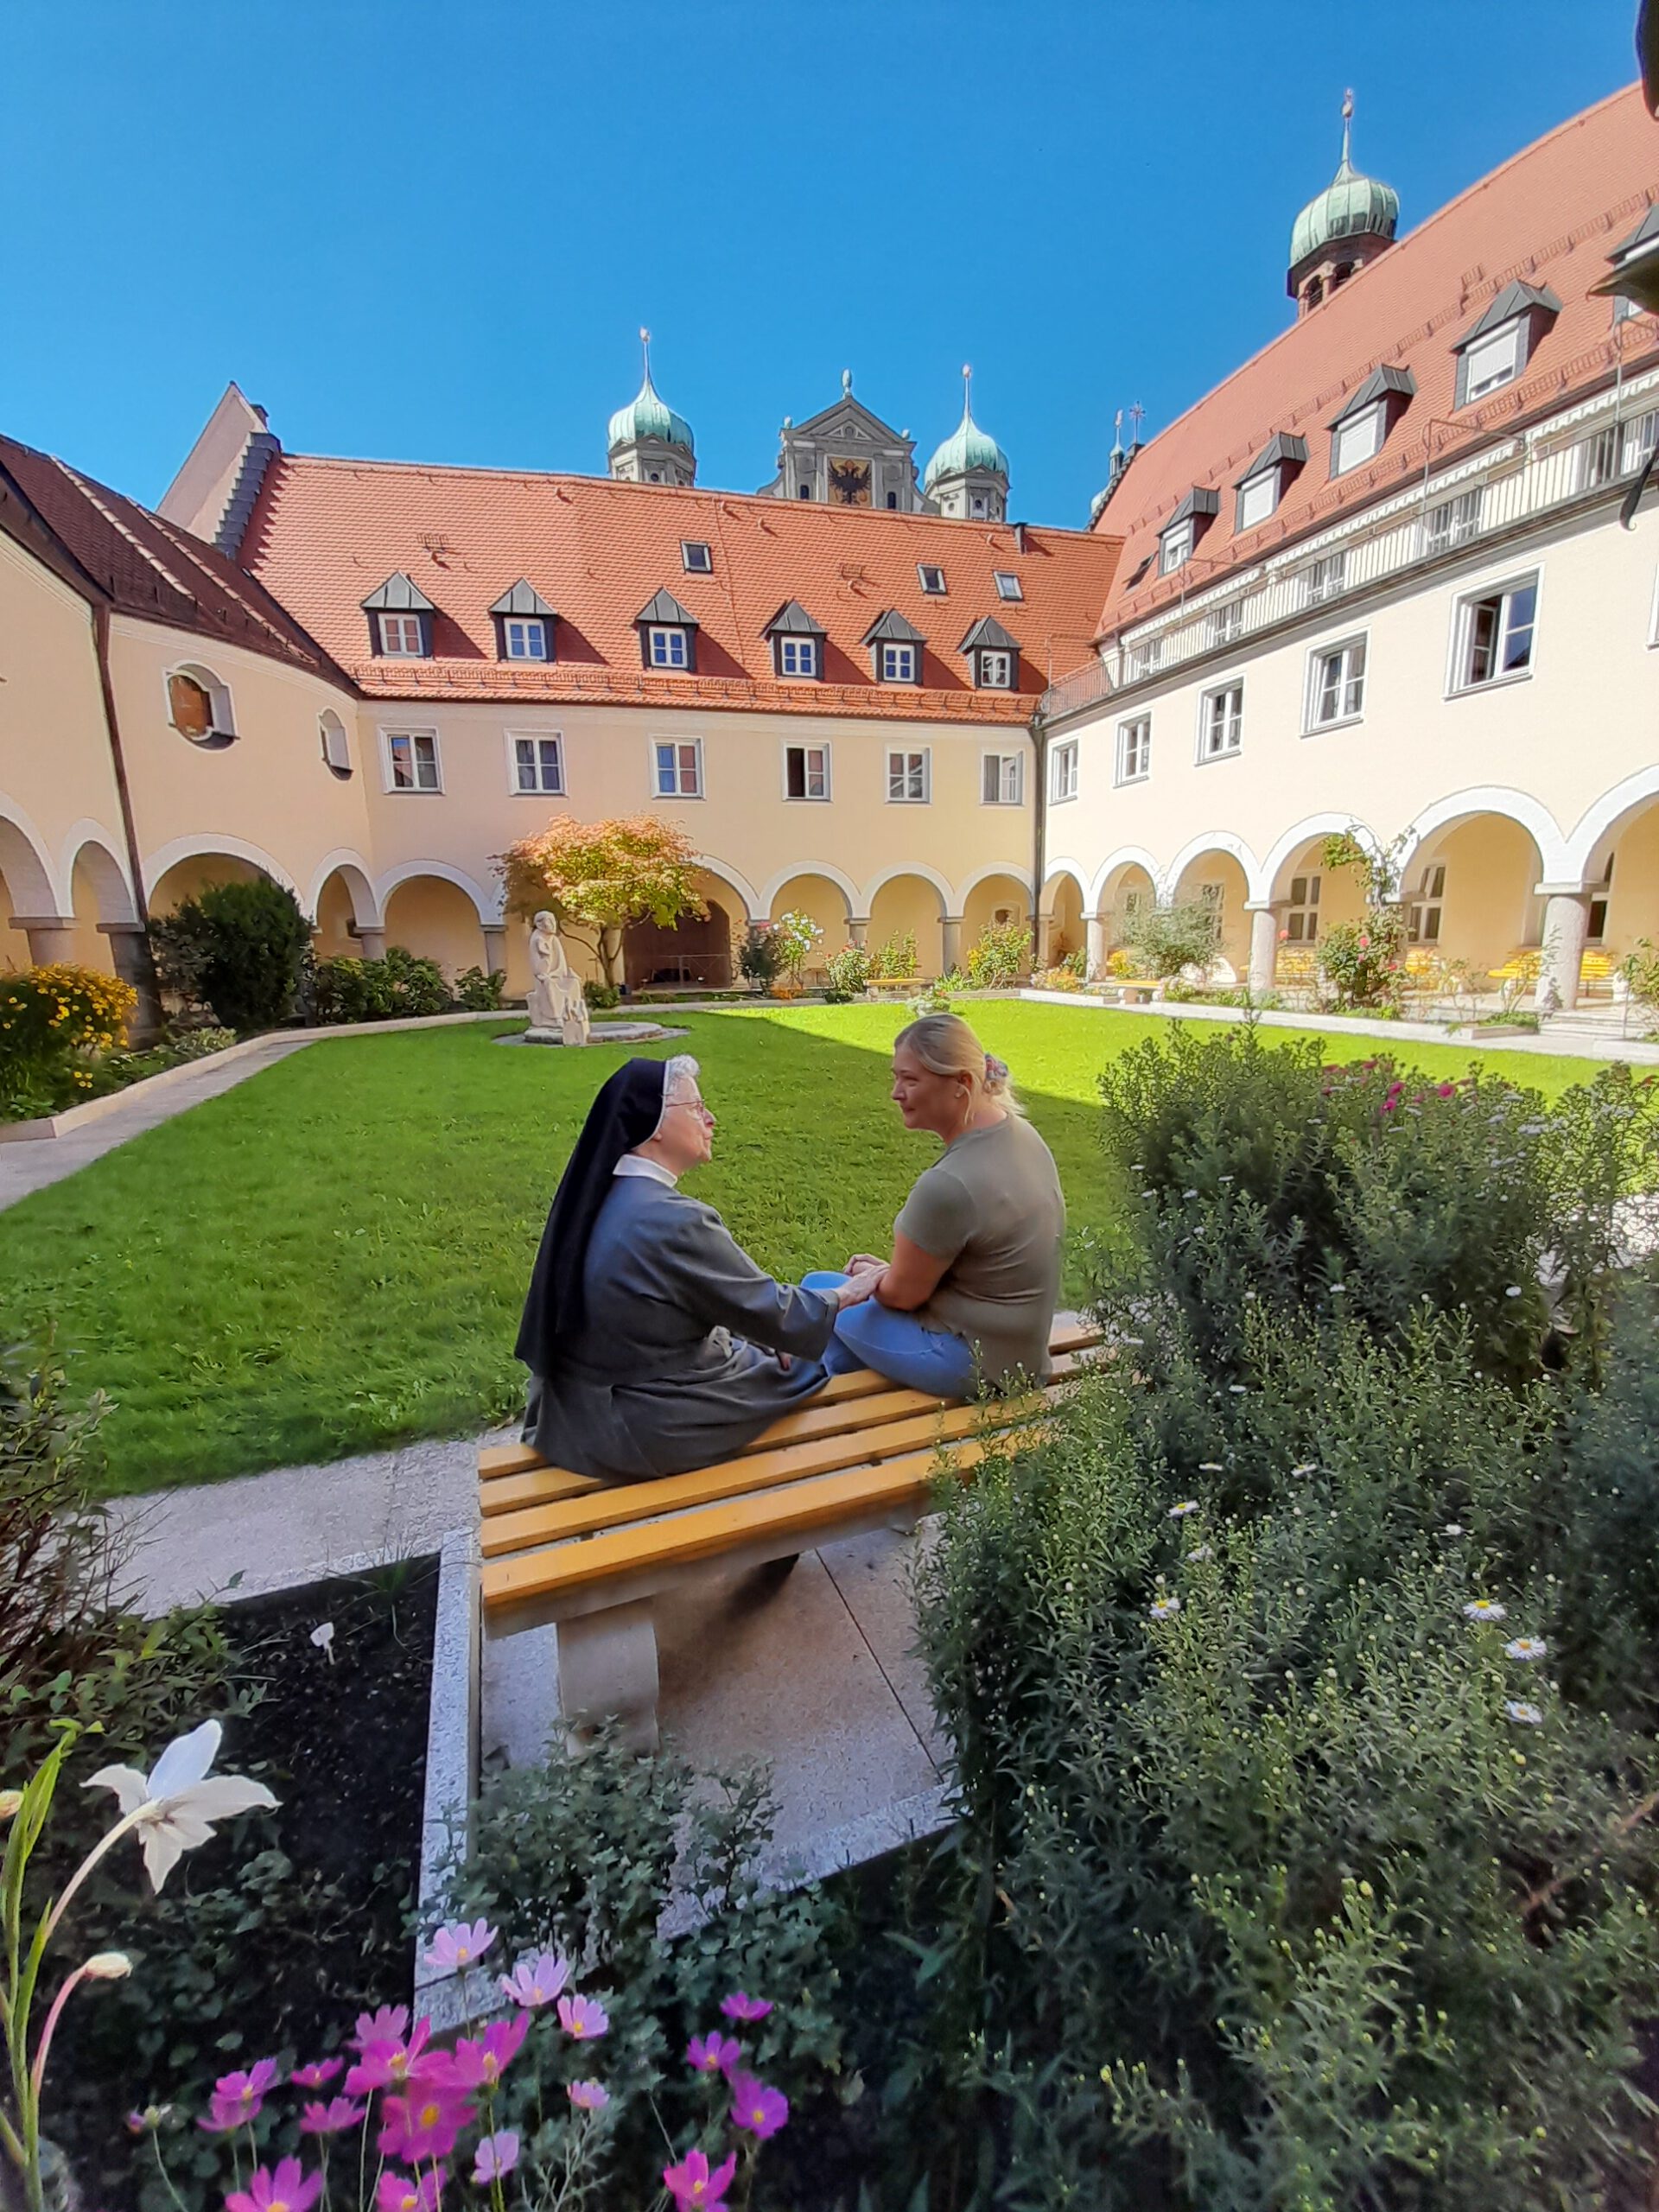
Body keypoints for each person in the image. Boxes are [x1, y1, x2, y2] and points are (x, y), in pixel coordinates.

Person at [517, 1054, 875, 1480]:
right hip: (637, 1425)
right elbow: (772, 1310)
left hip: (570, 1416)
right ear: (655, 1125)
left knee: (773, 1349)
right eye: (697, 1107)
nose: (711, 1118)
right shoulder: (674, 1220)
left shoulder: (601, 1196)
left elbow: (720, 1305)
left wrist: (767, 1331)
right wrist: (847, 1293)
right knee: (814, 1365)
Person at [804, 1014, 1065, 1397]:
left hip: (975, 1364)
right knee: (839, 1340)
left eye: (910, 1080)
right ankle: (841, 1394)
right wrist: (891, 1274)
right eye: (896, 1077)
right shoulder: (1022, 1134)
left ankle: (826, 1401)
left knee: (817, 1290)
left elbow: (903, 1297)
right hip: (1021, 1354)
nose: (896, 1093)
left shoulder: (949, 1185)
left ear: (962, 1084)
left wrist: (876, 1279)